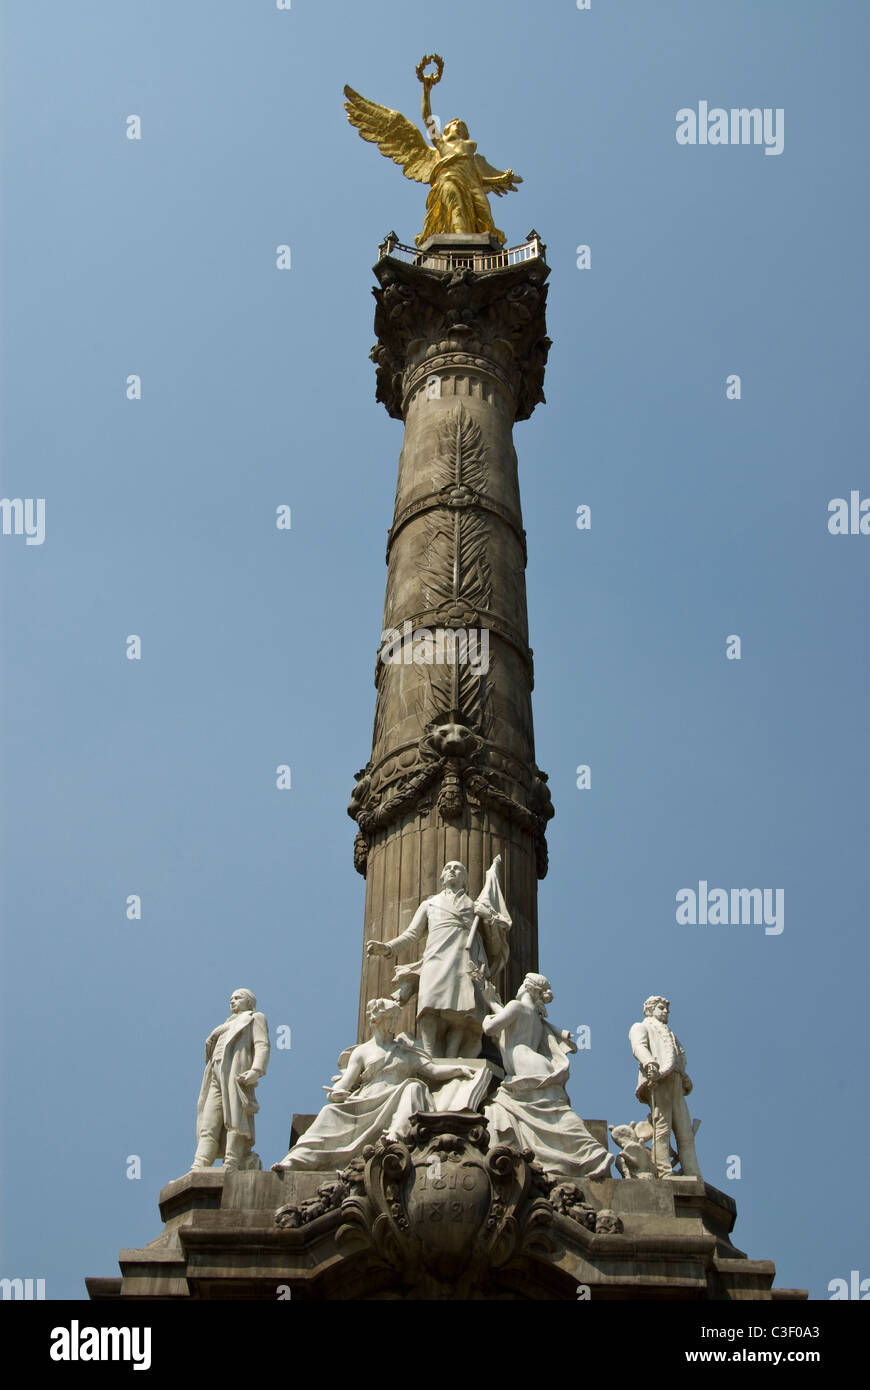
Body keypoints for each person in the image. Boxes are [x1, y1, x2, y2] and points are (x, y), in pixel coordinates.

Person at [271, 998, 474, 1171]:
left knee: (414, 1087)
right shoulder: (362, 1052)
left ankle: (396, 1134)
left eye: (396, 1019)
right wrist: (336, 1094)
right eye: (391, 1019)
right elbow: (345, 1083)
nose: (394, 1023)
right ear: (379, 1020)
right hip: (368, 1100)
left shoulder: (405, 1051)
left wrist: (459, 1069)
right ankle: (295, 1160)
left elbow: (433, 1071)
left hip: (396, 1098)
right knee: (328, 1113)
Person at [366, 858, 510, 1058]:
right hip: (436, 957)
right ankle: (428, 1053)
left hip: (463, 958)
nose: (452, 870)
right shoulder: (430, 904)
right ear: (442, 878)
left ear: (466, 880)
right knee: (428, 1006)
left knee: (462, 1010)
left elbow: (494, 945)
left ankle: (451, 1056)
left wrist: (490, 918)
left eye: (458, 869)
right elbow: (411, 935)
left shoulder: (473, 906)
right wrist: (388, 948)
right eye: (448, 868)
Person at [482, 973, 613, 1181]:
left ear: (527, 988)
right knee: (555, 1112)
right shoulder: (532, 1014)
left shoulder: (516, 1007)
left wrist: (487, 1014)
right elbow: (511, 1024)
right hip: (537, 1064)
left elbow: (491, 1028)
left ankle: (593, 1155)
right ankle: (590, 1154)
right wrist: (491, 1001)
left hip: (527, 1066)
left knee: (554, 1113)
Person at [191, 988, 270, 1172]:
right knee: (209, 1121)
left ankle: (232, 1161)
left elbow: (262, 1044)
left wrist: (256, 1070)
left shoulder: (255, 1017)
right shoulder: (223, 1026)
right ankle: (200, 1163)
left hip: (236, 1073)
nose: (232, 1001)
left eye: (237, 998)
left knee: (235, 1117)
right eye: (231, 998)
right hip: (215, 1074)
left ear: (248, 1002)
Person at [628, 996, 701, 1179]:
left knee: (685, 1133)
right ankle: (664, 1172)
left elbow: (679, 1055)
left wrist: (684, 1076)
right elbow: (638, 1047)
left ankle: (693, 1174)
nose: (666, 1011)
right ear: (650, 1010)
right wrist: (649, 1063)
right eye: (661, 1008)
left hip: (675, 1080)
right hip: (659, 1079)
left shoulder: (670, 1034)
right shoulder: (641, 1026)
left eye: (667, 1009)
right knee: (663, 1128)